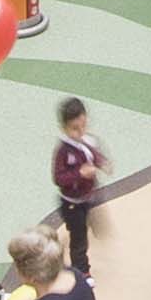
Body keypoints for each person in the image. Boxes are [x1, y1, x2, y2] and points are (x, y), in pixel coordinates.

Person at [48, 96, 105, 276]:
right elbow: (58, 178)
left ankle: (82, 223)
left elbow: (94, 155)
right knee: (79, 240)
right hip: (72, 201)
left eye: (83, 126)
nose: (80, 132)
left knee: (87, 221)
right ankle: (82, 271)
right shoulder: (64, 151)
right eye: (75, 128)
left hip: (88, 195)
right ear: (64, 128)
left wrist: (102, 162)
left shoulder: (87, 141)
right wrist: (79, 173)